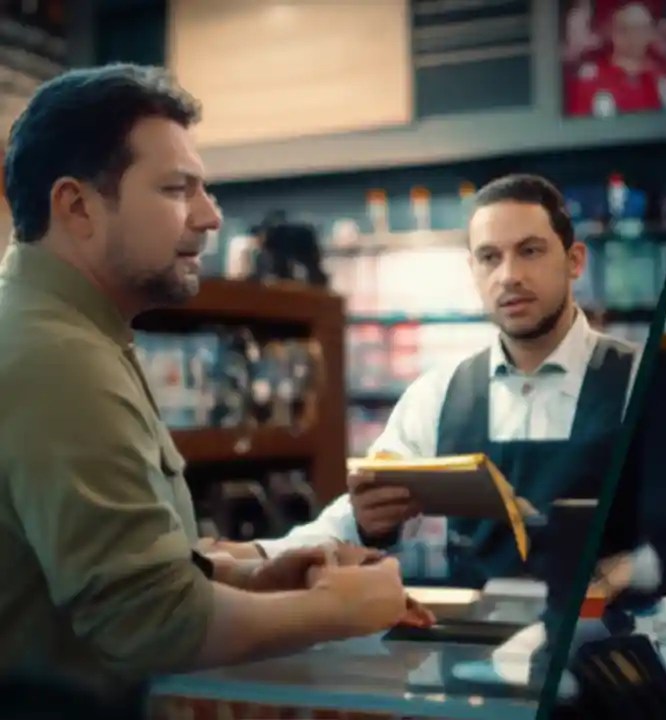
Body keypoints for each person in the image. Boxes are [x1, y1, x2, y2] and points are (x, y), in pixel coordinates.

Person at [0, 64, 418, 699]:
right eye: (177, 190)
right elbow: (146, 623)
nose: (211, 216)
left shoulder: (66, 334)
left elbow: (92, 575)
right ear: (77, 206)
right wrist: (343, 610)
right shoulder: (58, 357)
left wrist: (252, 578)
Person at [241, 174, 660, 595]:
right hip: (474, 649)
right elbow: (346, 521)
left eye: (530, 251)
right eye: (490, 258)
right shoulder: (439, 395)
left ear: (574, 261)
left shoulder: (637, 383)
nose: (509, 275)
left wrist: (619, 576)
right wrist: (258, 555)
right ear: (473, 271)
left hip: (602, 644)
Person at [566, 2, 666, 117]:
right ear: (614, 33)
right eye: (632, 29)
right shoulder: (590, 80)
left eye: (645, 29)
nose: (639, 36)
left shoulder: (663, 80)